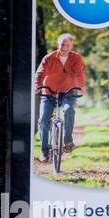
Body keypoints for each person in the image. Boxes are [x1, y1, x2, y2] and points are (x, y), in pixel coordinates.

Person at [35, 33, 86, 164]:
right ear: (58, 44)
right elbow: (40, 74)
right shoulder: (49, 58)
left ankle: (67, 140)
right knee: (43, 120)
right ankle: (44, 151)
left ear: (72, 45)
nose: (65, 47)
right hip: (49, 92)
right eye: (62, 44)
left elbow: (79, 73)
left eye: (67, 44)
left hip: (68, 92)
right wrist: (38, 86)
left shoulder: (76, 58)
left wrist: (81, 86)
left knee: (69, 110)